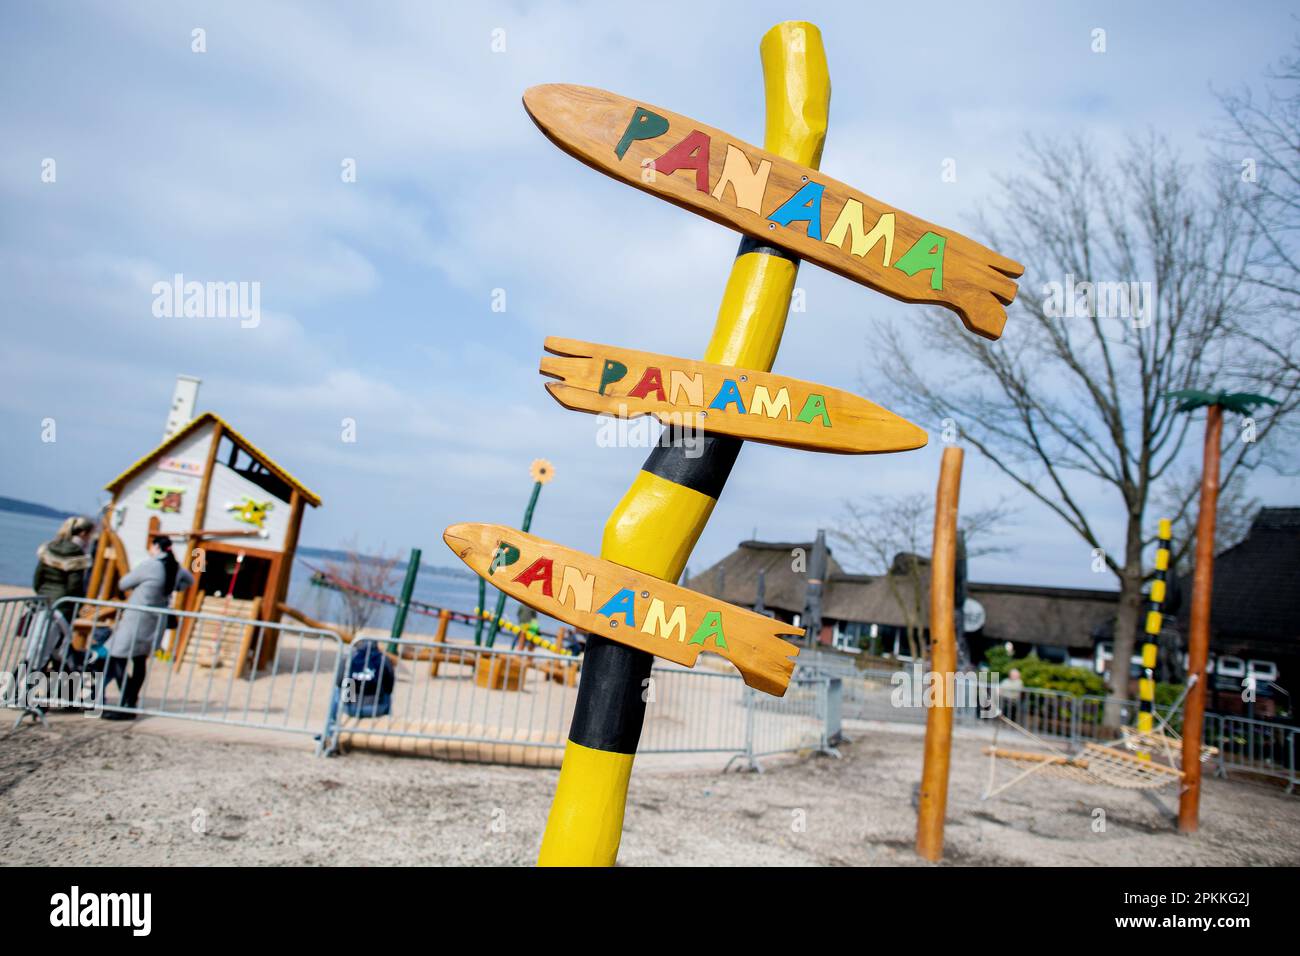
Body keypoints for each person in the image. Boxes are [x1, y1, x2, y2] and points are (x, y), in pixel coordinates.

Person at [101, 535, 193, 719]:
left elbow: (124, 583)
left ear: (156, 546)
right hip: (156, 621)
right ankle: (131, 701)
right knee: (139, 660)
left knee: (118, 655)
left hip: (136, 618)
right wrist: (175, 588)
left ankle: (127, 701)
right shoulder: (175, 567)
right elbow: (189, 580)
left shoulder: (150, 565)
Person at [26, 516, 94, 673]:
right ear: (84, 533)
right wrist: (77, 605)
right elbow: (74, 586)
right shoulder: (77, 553)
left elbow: (38, 579)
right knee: (56, 651)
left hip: (43, 603)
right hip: (62, 607)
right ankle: (25, 691)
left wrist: (43, 593)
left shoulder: (50, 547)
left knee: (36, 649)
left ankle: (18, 690)